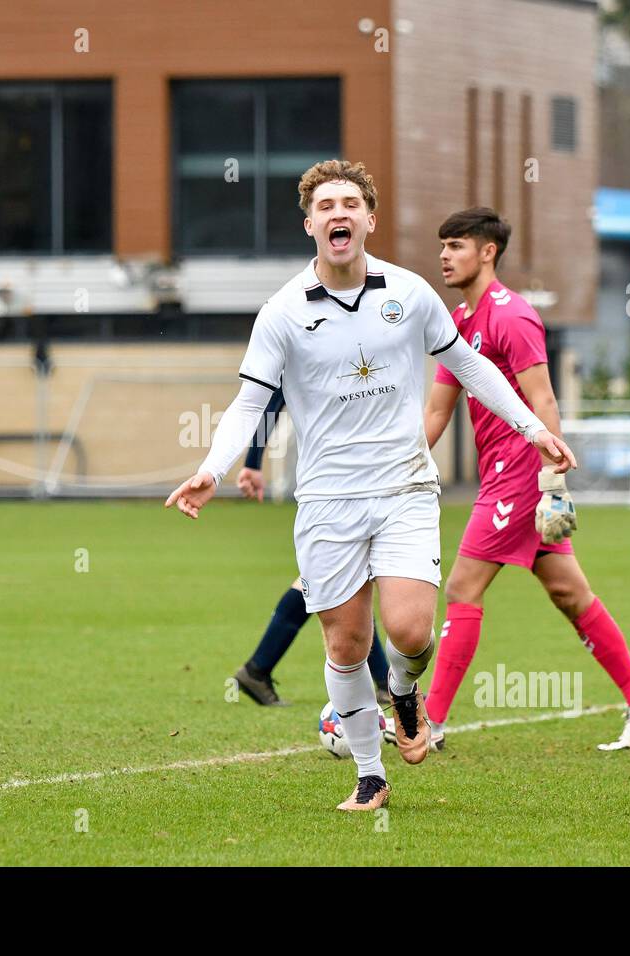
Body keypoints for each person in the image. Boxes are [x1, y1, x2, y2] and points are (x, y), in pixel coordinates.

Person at [165, 160, 575, 812]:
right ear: (310, 224)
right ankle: (369, 775)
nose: (339, 213)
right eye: (326, 205)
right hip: (326, 500)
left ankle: (406, 692)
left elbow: (469, 366)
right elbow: (250, 403)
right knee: (346, 644)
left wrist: (532, 428)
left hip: (405, 487)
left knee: (411, 631)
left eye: (350, 203)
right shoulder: (282, 312)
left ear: (369, 219)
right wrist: (212, 468)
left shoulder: (410, 294)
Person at [422, 208, 630, 752]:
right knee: (569, 593)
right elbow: (438, 410)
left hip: (519, 475)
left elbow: (544, 400)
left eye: (457, 245)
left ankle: (429, 723)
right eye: (443, 245)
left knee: (463, 588)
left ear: (488, 252)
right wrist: (400, 463)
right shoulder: (456, 322)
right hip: (498, 476)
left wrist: (550, 480)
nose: (445, 255)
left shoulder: (512, 316)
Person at [231, 387, 392, 709]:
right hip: (333, 487)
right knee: (349, 579)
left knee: (338, 578)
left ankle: (258, 668)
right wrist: (252, 463)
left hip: (357, 482)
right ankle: (386, 684)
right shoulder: (303, 340)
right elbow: (272, 401)